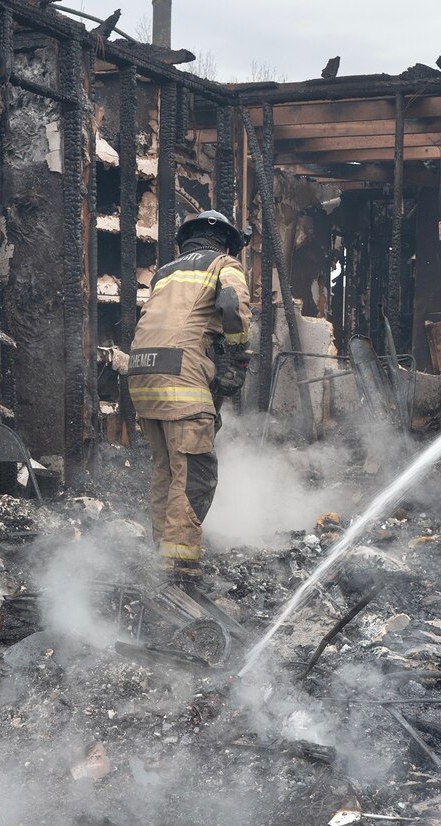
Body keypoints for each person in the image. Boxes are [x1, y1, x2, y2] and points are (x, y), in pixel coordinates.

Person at [126, 210, 252, 583]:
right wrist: (237, 354)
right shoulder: (224, 264)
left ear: (186, 240)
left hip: (143, 378)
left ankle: (160, 560)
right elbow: (232, 306)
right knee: (194, 475)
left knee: (166, 472)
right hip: (181, 380)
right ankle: (180, 572)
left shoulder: (165, 273)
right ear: (227, 242)